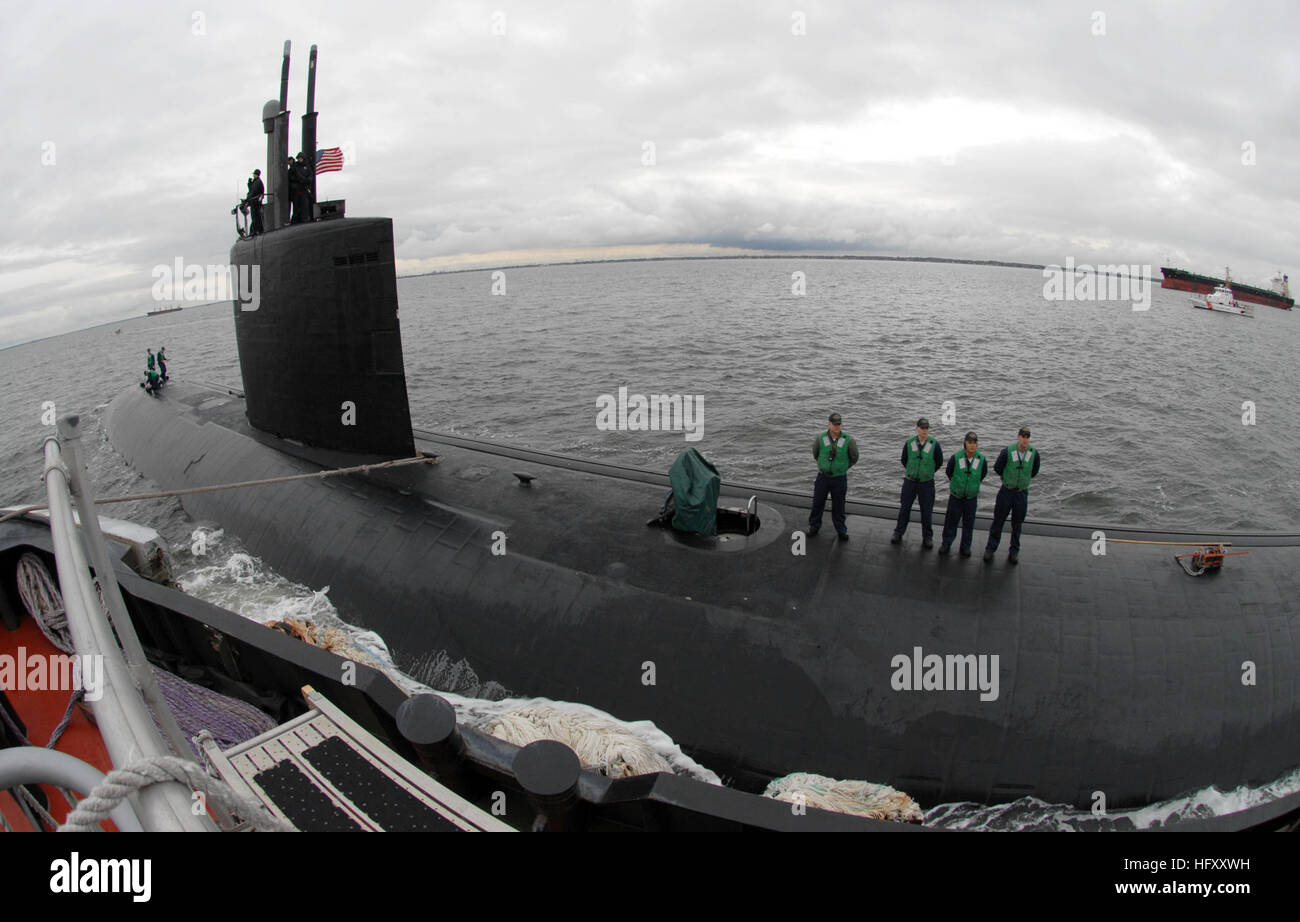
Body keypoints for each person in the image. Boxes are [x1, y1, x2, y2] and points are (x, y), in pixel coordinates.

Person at [983, 427, 1042, 564]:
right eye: (1022, 436)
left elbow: (1034, 470)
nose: (1025, 439)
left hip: (1021, 493)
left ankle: (1014, 551)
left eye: (1027, 437)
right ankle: (990, 548)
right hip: (1006, 492)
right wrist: (1008, 478)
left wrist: (1023, 480)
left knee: (1017, 524)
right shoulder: (1007, 452)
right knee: (998, 521)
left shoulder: (1034, 454)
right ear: (1018, 437)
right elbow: (998, 467)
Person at [891, 418, 943, 548]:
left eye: (926, 428)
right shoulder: (909, 443)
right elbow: (904, 460)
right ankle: (899, 532)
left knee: (927, 511)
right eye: (922, 428)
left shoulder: (934, 444)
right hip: (910, 481)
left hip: (926, 483)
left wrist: (927, 472)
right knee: (904, 508)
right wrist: (913, 471)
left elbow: (939, 461)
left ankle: (927, 537)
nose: (924, 430)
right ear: (917, 428)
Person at [808, 412, 859, 541]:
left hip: (839, 479)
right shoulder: (821, 438)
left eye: (839, 424)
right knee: (817, 503)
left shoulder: (848, 440)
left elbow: (854, 457)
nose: (837, 427)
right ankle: (814, 526)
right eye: (834, 424)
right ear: (829, 424)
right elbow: (816, 453)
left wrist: (842, 468)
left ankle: (841, 530)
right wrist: (823, 465)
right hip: (823, 478)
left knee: (839, 506)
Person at [939, 431, 987, 557]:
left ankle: (965, 546)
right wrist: (958, 485)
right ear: (965, 443)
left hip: (971, 498)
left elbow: (983, 474)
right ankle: (946, 543)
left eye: (974, 443)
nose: (972, 445)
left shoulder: (981, 459)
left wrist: (972, 486)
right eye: (969, 442)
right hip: (956, 497)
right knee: (951, 521)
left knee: (969, 523)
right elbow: (949, 472)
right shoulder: (956, 457)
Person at [288, 153, 313, 224]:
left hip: (304, 188)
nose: (299, 160)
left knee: (304, 203)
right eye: (298, 158)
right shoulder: (294, 167)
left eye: (300, 158)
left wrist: (306, 181)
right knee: (296, 204)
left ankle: (304, 218)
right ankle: (296, 220)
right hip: (296, 189)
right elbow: (291, 177)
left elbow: (310, 176)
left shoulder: (307, 167)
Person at [244, 169, 265, 236]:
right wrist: (250, 184)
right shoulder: (256, 182)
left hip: (255, 202)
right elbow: (252, 191)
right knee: (255, 217)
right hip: (255, 202)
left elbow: (253, 192)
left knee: (255, 216)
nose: (253, 175)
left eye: (254, 174)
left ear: (256, 174)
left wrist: (247, 200)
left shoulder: (257, 182)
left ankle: (256, 230)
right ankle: (256, 229)